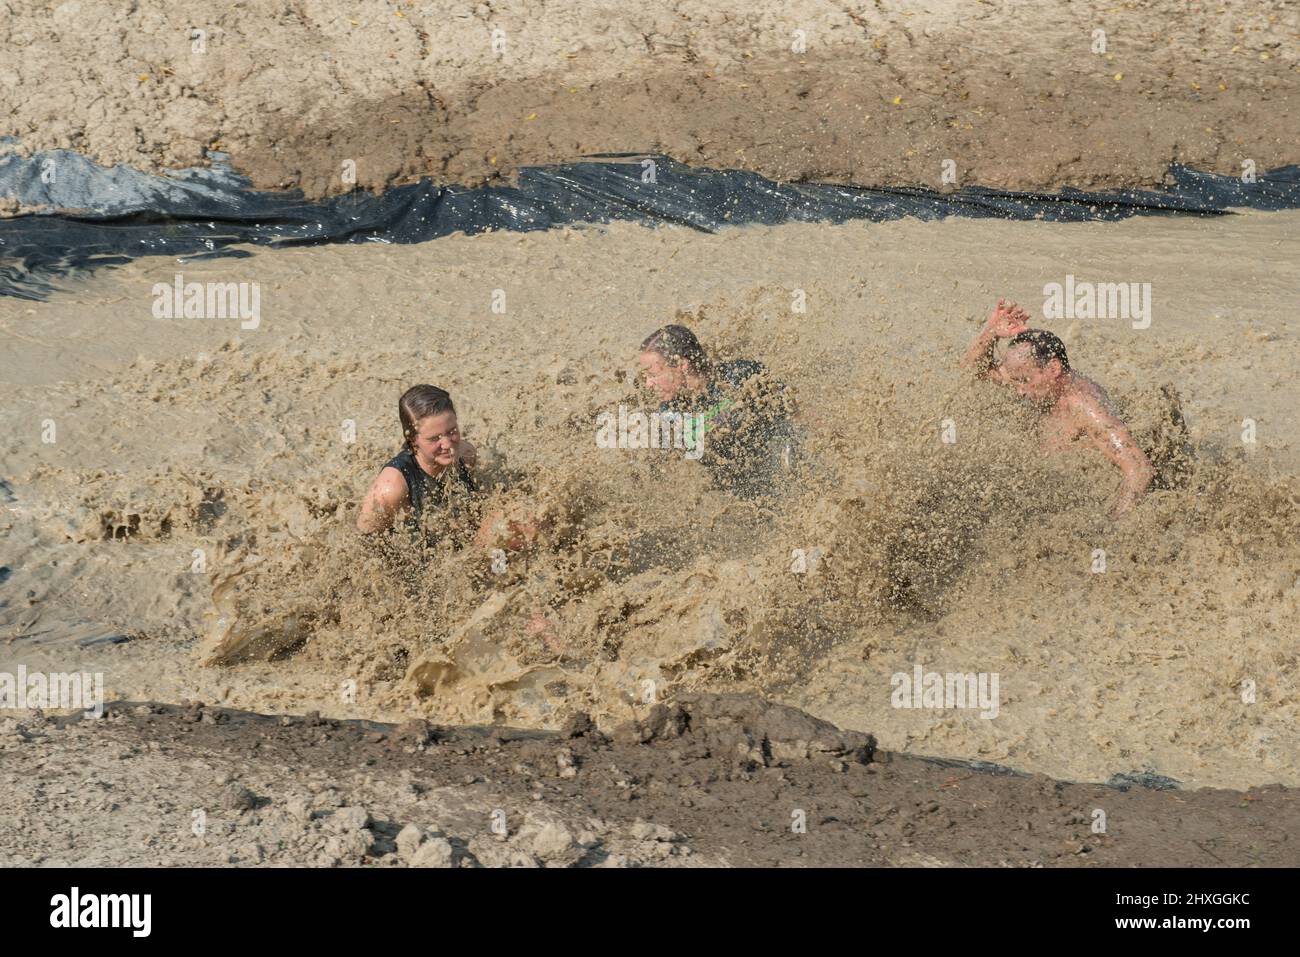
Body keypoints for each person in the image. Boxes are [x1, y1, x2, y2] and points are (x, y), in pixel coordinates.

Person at [962, 299, 1156, 515]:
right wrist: (992, 332)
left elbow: (1139, 470)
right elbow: (973, 371)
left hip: (1085, 499)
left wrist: (1114, 525)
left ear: (1053, 369)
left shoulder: (1085, 407)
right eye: (1015, 381)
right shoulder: (1031, 382)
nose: (1019, 391)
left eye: (1024, 380)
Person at [637, 324, 796, 498]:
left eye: (652, 375)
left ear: (682, 364)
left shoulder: (740, 376)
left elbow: (796, 411)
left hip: (789, 470)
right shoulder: (669, 413)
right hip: (747, 500)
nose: (648, 384)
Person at [357, 384, 479, 536]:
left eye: (452, 431)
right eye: (435, 438)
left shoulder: (466, 455)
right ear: (412, 440)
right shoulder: (391, 488)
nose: (447, 444)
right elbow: (365, 541)